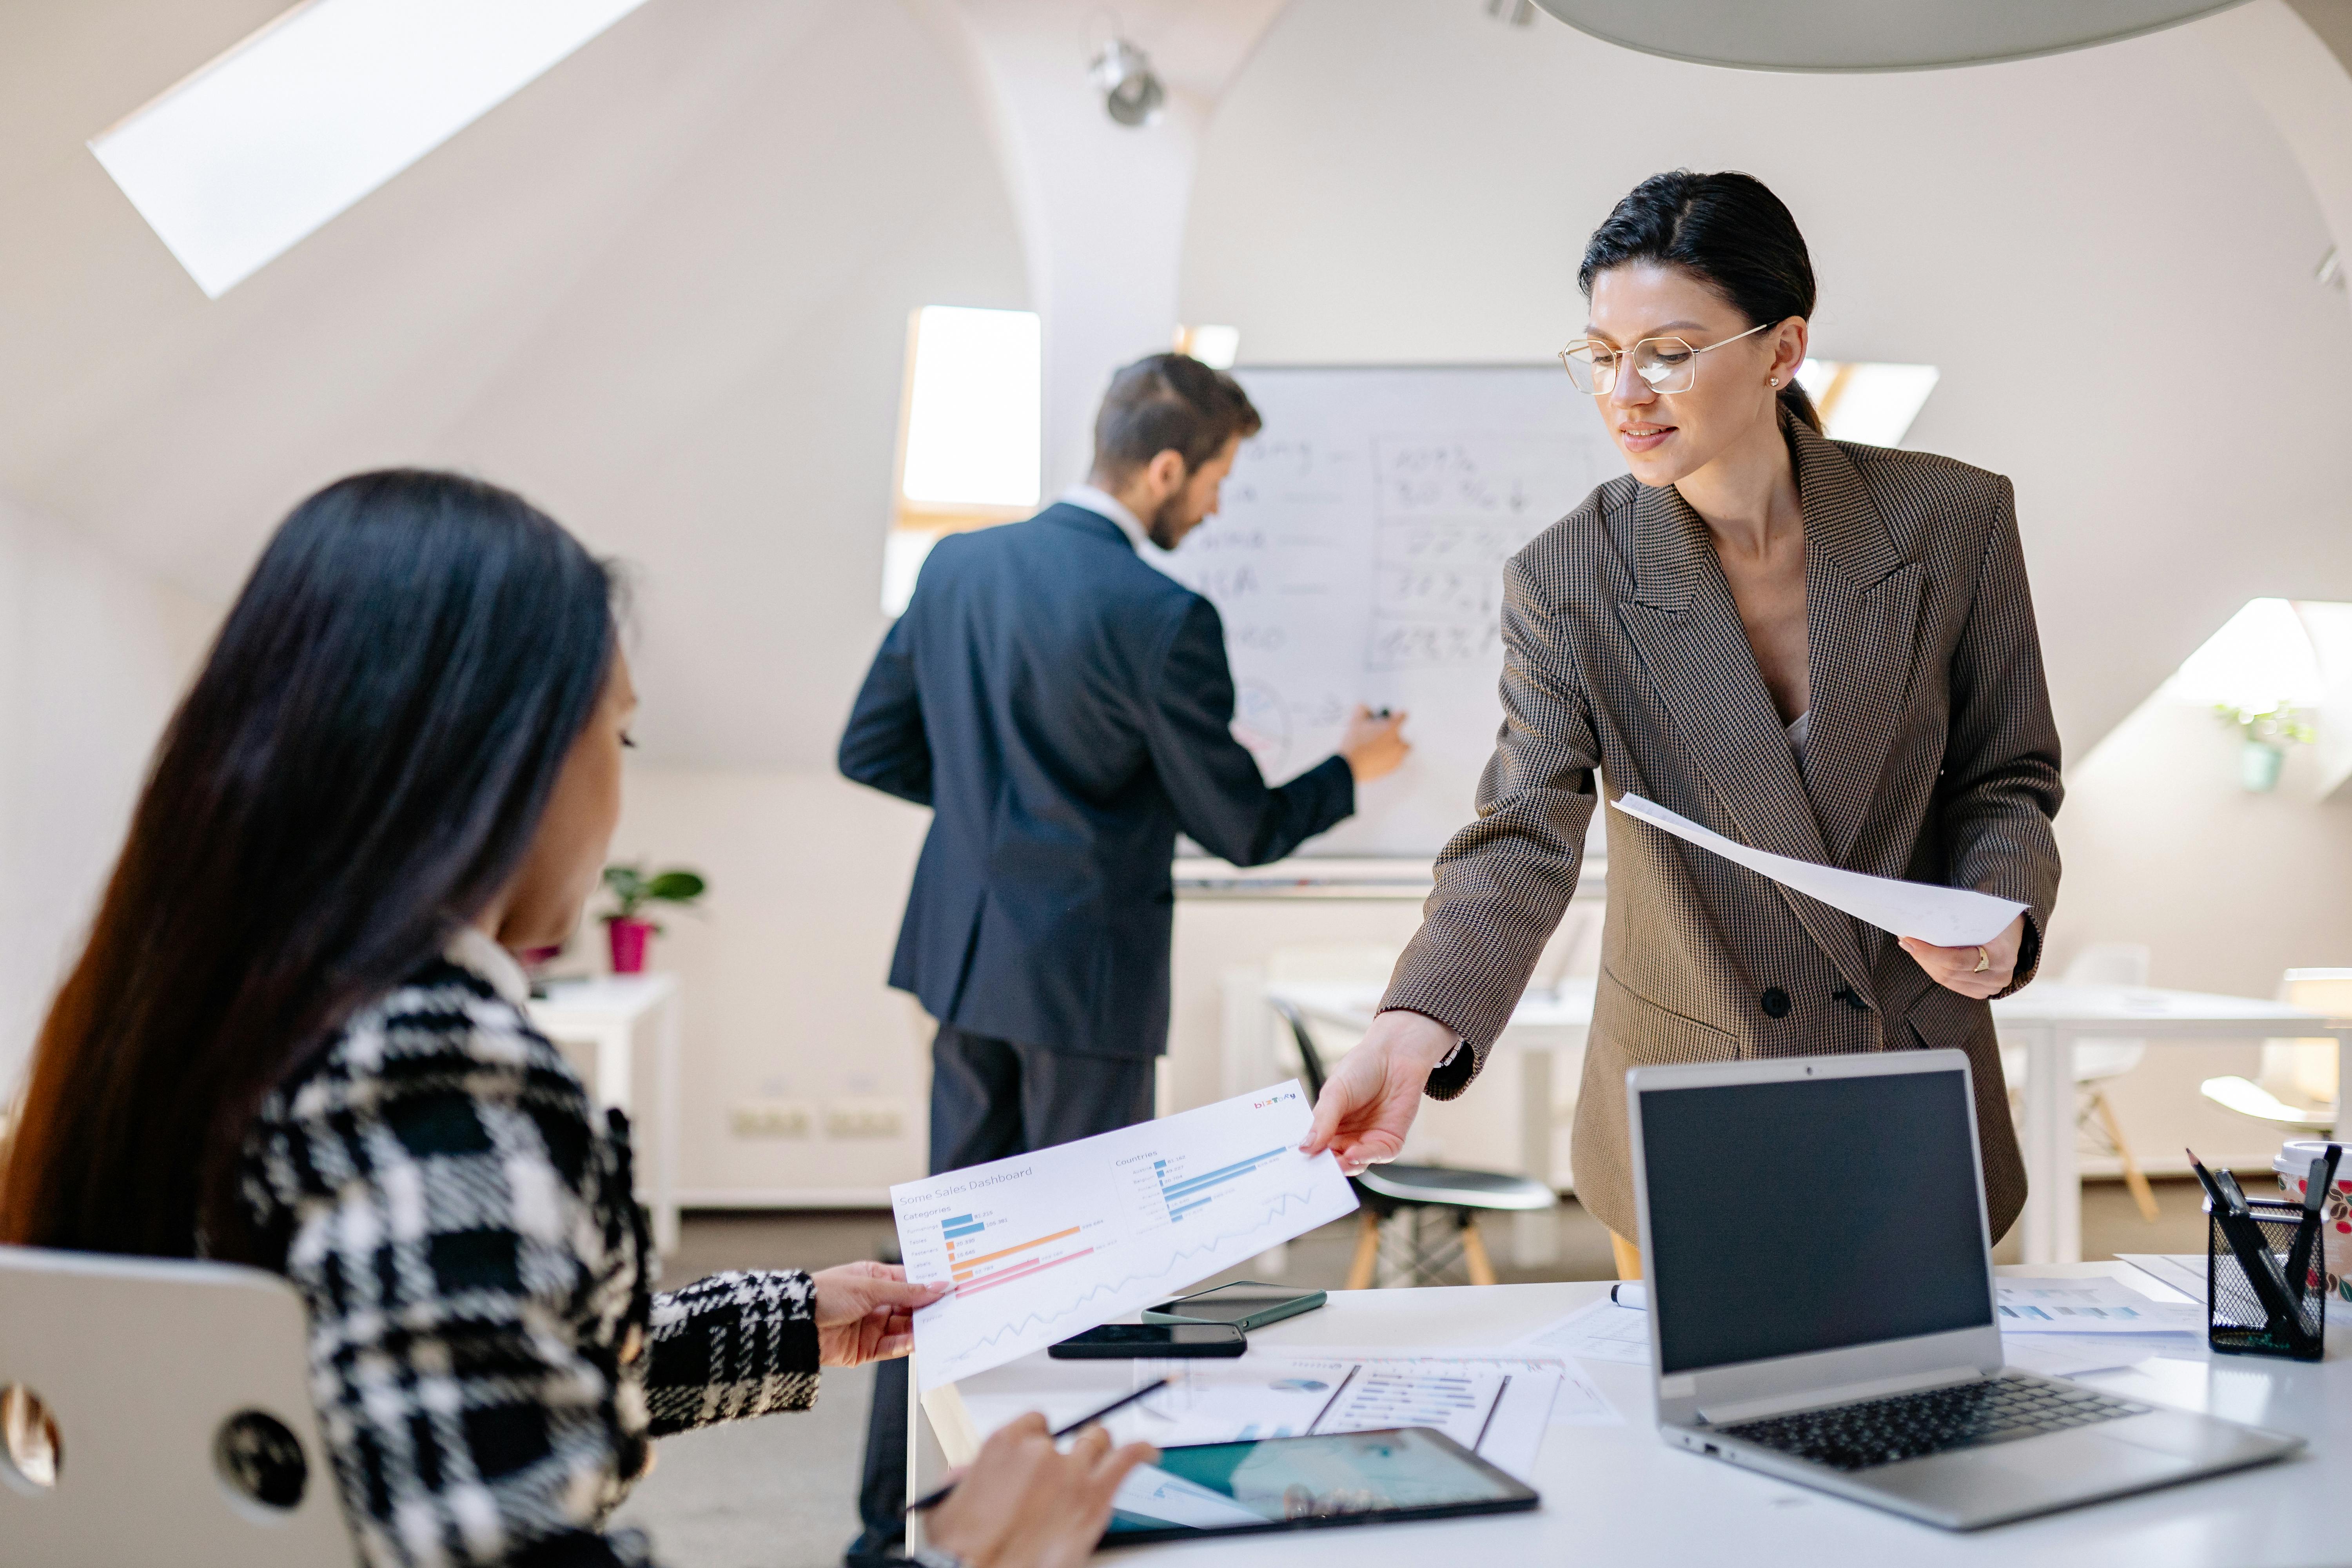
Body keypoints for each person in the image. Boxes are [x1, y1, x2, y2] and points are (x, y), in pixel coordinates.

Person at [0, 470, 1151, 1568]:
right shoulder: (433, 1074)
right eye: (621, 732)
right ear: (504, 756)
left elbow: (430, 1378)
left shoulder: (200, 1001)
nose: (618, 782)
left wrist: (791, 1319)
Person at [1301, 171, 2063, 1278]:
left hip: (1908, 1072)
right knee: (1697, 1443)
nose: (1627, 392)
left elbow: (2008, 774)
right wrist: (1410, 1028)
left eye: (1668, 351)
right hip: (1692, 1090)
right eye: (1602, 355)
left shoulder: (1951, 520)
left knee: (1924, 1427)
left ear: (1781, 348)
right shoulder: (1570, 578)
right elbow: (1523, 833)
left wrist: (2003, 911)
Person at [837, 353, 1408, 1561]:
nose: (1212, 508)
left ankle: (891, 1533)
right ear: (1164, 466)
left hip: (963, 952)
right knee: (1084, 1267)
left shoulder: (957, 564)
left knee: (939, 1254)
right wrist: (1349, 773)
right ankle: (1057, 1528)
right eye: (1215, 480)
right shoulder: (1160, 616)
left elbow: (870, 750)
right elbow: (1243, 827)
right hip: (1084, 970)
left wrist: (1004, 811)